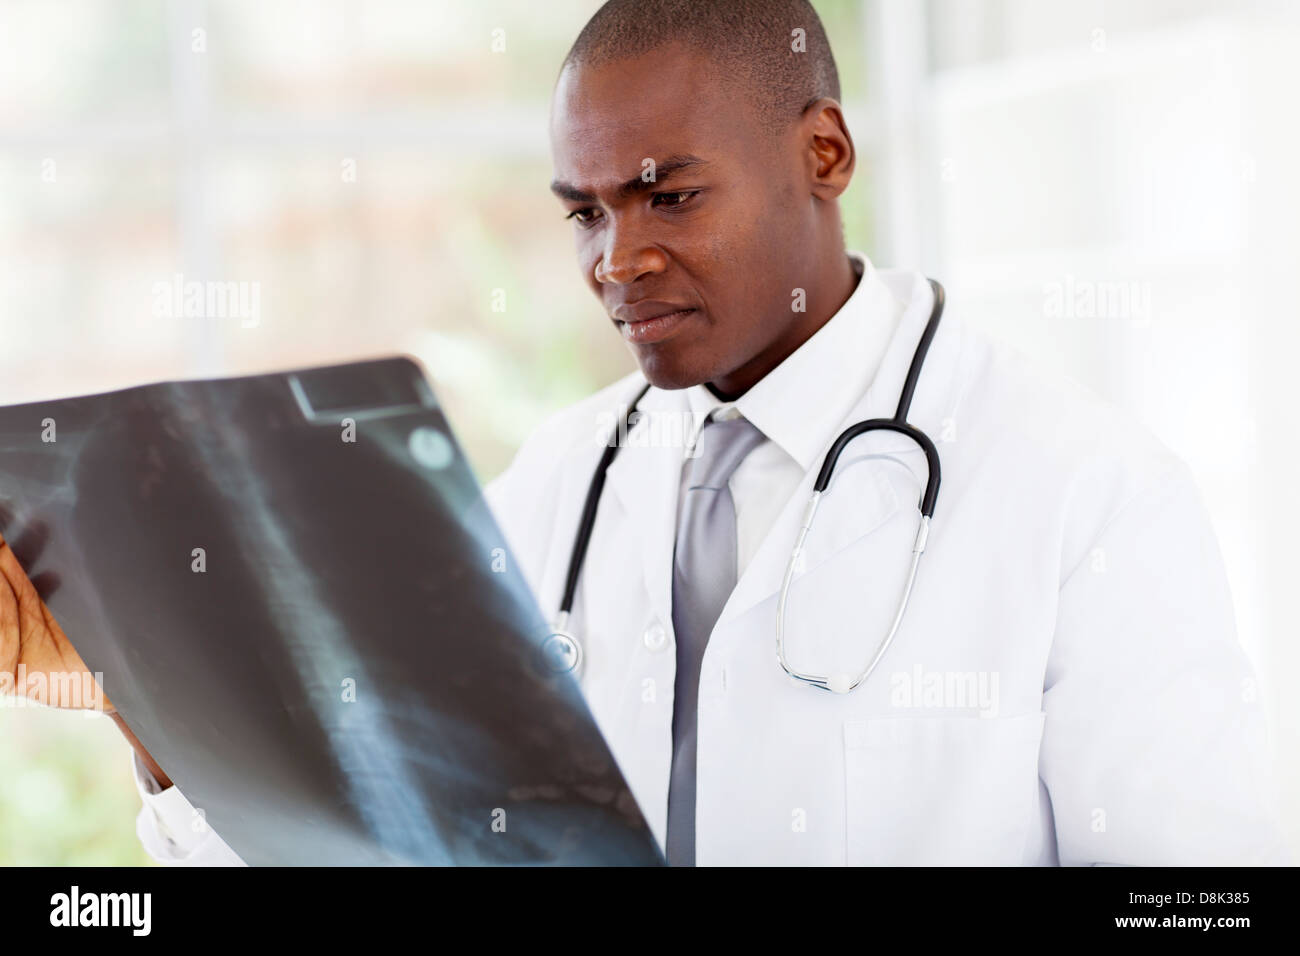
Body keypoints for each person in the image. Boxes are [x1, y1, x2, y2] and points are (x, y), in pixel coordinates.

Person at [1, 0, 1286, 866]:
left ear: (824, 152)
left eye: (666, 194)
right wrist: (141, 691)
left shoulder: (1085, 492)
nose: (619, 259)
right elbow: (381, 838)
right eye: (584, 213)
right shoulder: (553, 484)